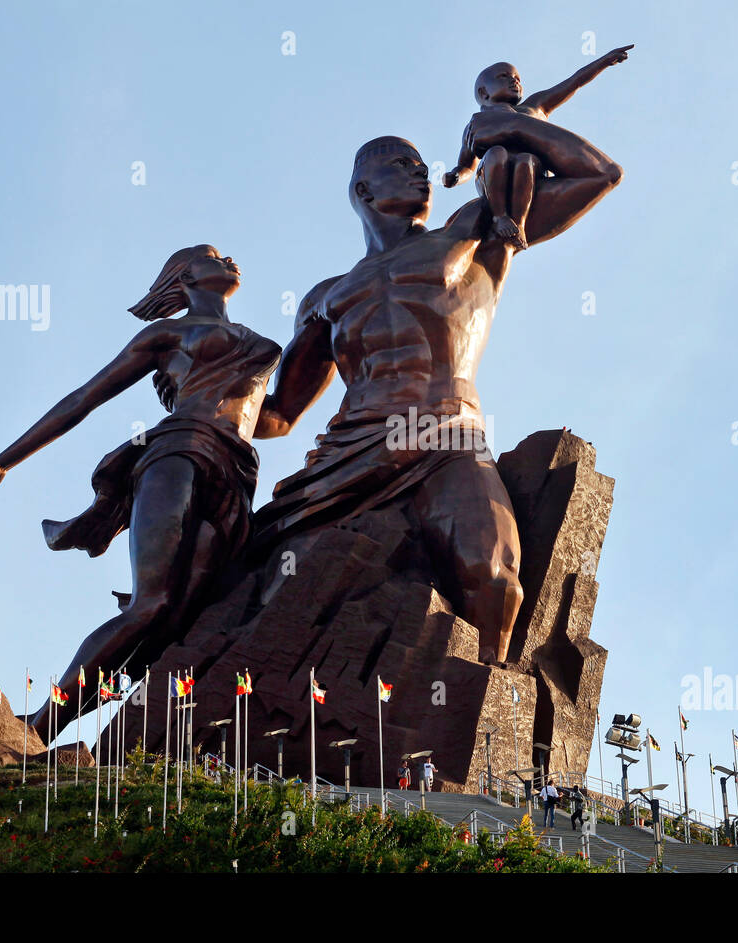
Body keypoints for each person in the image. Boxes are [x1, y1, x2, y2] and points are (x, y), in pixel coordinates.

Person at [254, 119, 624, 664]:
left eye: (423, 163)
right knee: (281, 588)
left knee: (494, 579)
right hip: (349, 452)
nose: (421, 171)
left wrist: (512, 123)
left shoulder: (472, 232)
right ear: (364, 190)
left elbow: (599, 175)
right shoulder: (324, 297)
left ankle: (484, 718)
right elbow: (279, 414)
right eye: (402, 164)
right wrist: (203, 402)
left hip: (446, 432)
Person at [0, 245, 281, 734]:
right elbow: (84, 397)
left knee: (177, 620)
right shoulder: (167, 333)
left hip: (237, 471)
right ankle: (40, 728)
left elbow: (278, 417)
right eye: (214, 255)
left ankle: (68, 724)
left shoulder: (258, 341)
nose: (230, 258)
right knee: (153, 604)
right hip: (178, 452)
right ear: (185, 276)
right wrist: (2, 464)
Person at [443, 46, 633, 249]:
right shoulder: (476, 123)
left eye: (517, 77)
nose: (514, 80)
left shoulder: (533, 106)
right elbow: (466, 165)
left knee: (527, 159)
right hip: (495, 175)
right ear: (483, 92)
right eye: (504, 76)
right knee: (496, 153)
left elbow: (573, 83)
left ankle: (519, 223)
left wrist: (603, 62)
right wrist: (455, 176)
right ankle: (500, 216)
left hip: (530, 176)